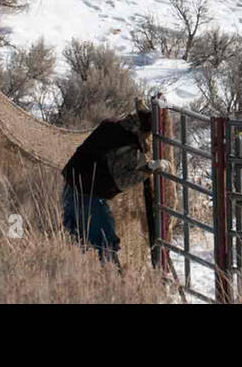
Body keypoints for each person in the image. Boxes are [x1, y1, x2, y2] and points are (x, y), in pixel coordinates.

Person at [62, 98, 169, 263]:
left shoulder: (111, 127)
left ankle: (79, 281)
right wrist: (148, 169)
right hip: (89, 197)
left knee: (75, 242)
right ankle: (111, 283)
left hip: (71, 188)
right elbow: (122, 181)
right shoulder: (126, 145)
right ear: (143, 131)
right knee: (105, 245)